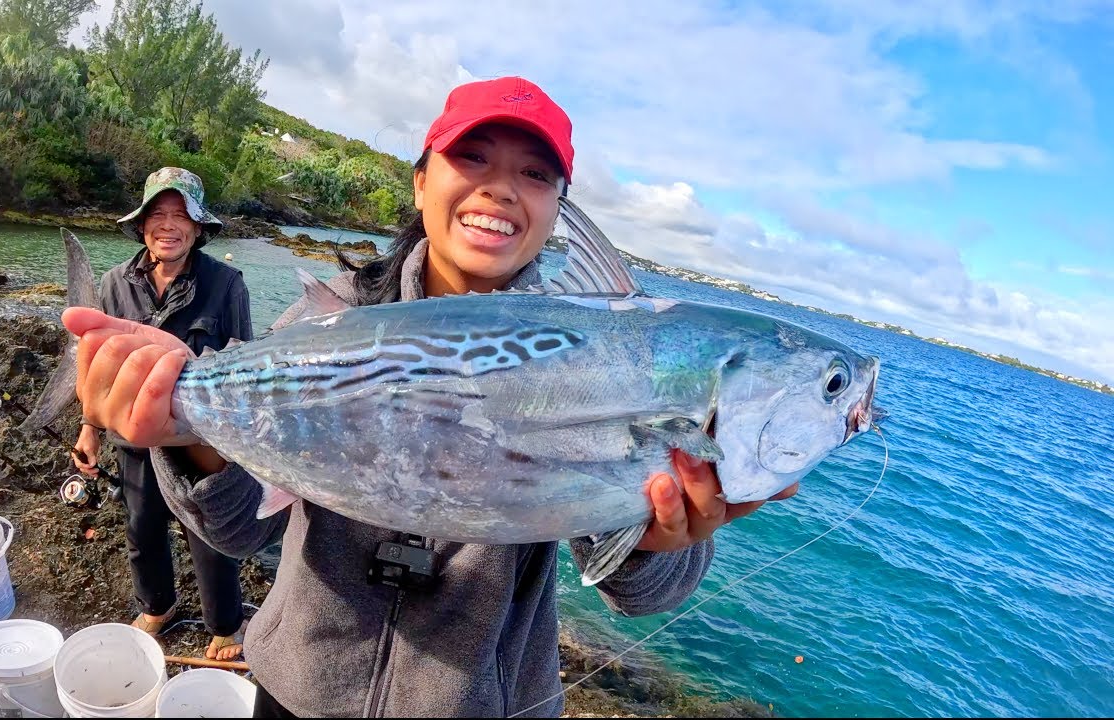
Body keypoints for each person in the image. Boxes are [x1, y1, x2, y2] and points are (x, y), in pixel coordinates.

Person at [63, 78, 799, 716]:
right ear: (421, 181)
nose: (501, 187)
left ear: (558, 209)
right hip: (298, 688)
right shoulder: (332, 321)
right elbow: (236, 531)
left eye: (536, 173)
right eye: (472, 157)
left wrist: (651, 544)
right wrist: (183, 430)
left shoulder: (601, 350)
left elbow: (646, 594)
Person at [70, 167, 252, 661]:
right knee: (140, 525)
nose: (168, 225)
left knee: (207, 533)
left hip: (195, 437)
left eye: (181, 216)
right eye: (158, 215)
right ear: (143, 224)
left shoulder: (226, 283)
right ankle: (158, 605)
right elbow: (96, 370)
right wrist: (90, 430)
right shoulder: (114, 284)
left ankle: (225, 625)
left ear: (197, 229)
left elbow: (243, 363)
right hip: (131, 435)